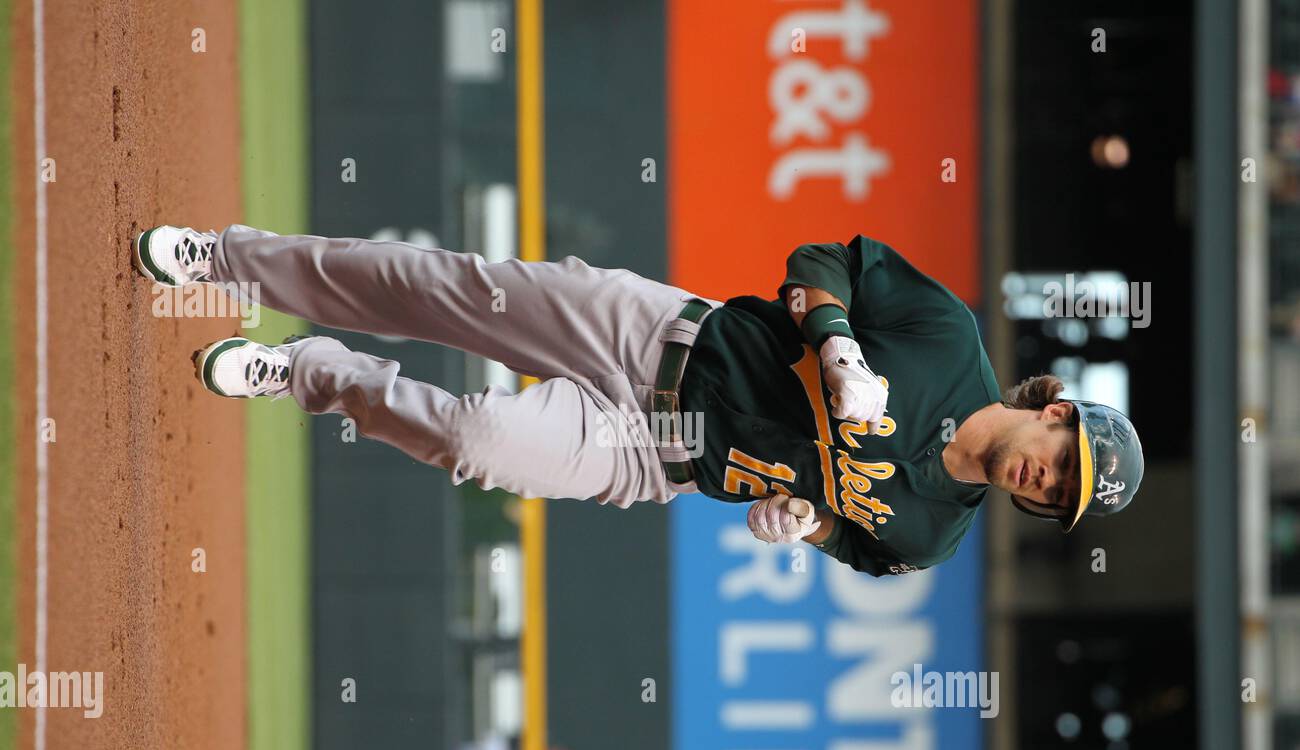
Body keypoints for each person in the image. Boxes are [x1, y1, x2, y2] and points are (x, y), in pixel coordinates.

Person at [132, 225, 1144, 576]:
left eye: (1056, 495)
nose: (1043, 479)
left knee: (478, 441)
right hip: (656, 334)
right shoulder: (948, 341)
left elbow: (845, 536)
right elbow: (823, 259)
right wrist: (834, 342)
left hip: (662, 447)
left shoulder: (929, 536)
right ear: (1057, 413)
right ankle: (225, 261)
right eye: (1063, 461)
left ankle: (312, 373)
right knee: (430, 288)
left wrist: (799, 523)